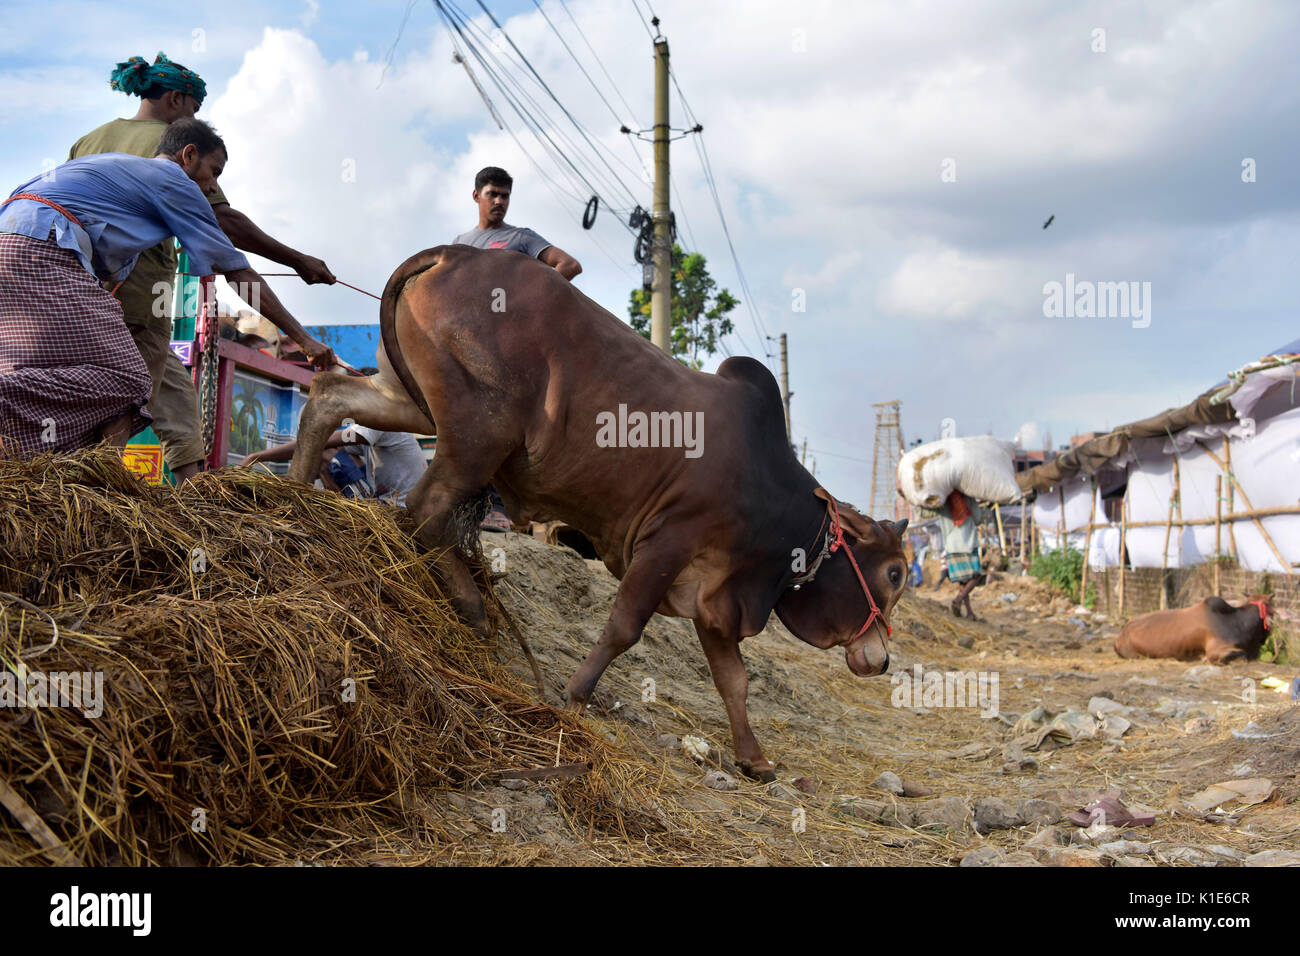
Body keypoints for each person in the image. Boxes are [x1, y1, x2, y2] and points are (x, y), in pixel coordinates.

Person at [67, 53, 337, 483]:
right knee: (133, 393)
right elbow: (225, 223)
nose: (211, 180)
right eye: (194, 108)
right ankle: (94, 490)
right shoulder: (173, 146)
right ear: (176, 99)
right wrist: (298, 261)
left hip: (79, 286)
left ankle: (195, 491)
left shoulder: (91, 139)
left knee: (171, 389)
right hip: (141, 296)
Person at [0, 119, 335, 457]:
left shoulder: (113, 167)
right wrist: (304, 339)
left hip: (12, 246)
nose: (211, 186)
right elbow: (239, 275)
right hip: (42, 249)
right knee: (130, 380)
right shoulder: (175, 182)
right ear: (188, 154)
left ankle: (40, 469)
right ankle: (96, 477)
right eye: (214, 172)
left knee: (38, 372)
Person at [453, 166, 582, 529]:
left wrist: (523, 301)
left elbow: (568, 265)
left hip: (509, 347)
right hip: (469, 342)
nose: (499, 201)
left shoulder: (521, 238)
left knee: (506, 423)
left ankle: (515, 505)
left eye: (505, 195)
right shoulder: (461, 243)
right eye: (492, 194)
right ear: (476, 195)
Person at [241, 369, 427, 507]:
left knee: (326, 451)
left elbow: (320, 440)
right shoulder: (373, 423)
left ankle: (302, 502)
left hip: (398, 507)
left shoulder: (380, 420)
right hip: (388, 502)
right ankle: (301, 495)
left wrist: (257, 457)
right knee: (328, 451)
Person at [938, 490, 989, 620]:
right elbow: (977, 518)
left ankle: (969, 612)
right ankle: (958, 599)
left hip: (951, 545)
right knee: (976, 576)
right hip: (967, 543)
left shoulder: (943, 501)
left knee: (963, 580)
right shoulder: (968, 498)